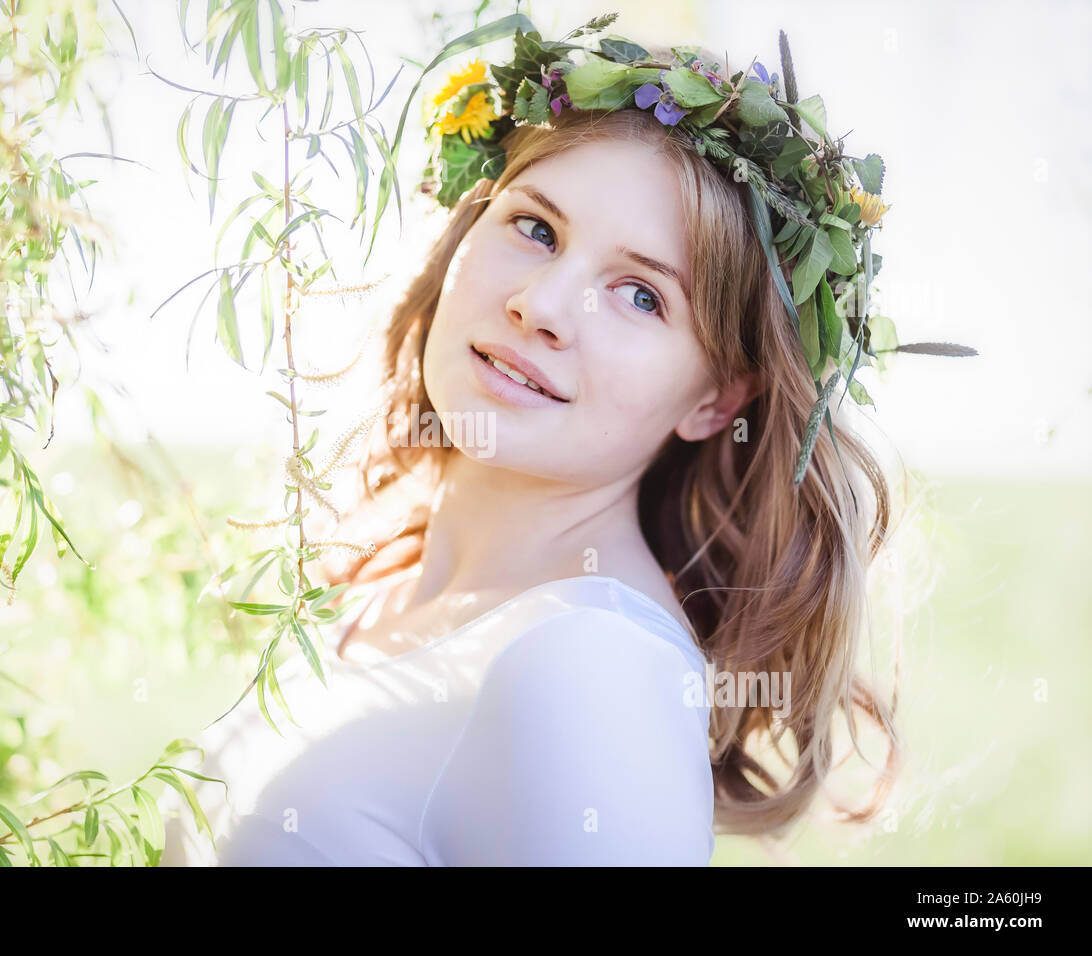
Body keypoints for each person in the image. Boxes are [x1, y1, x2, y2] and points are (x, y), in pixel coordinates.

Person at [160, 32, 907, 866]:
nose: (542, 304)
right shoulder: (372, 585)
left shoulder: (589, 670)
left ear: (716, 399)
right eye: (536, 229)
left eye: (638, 295)